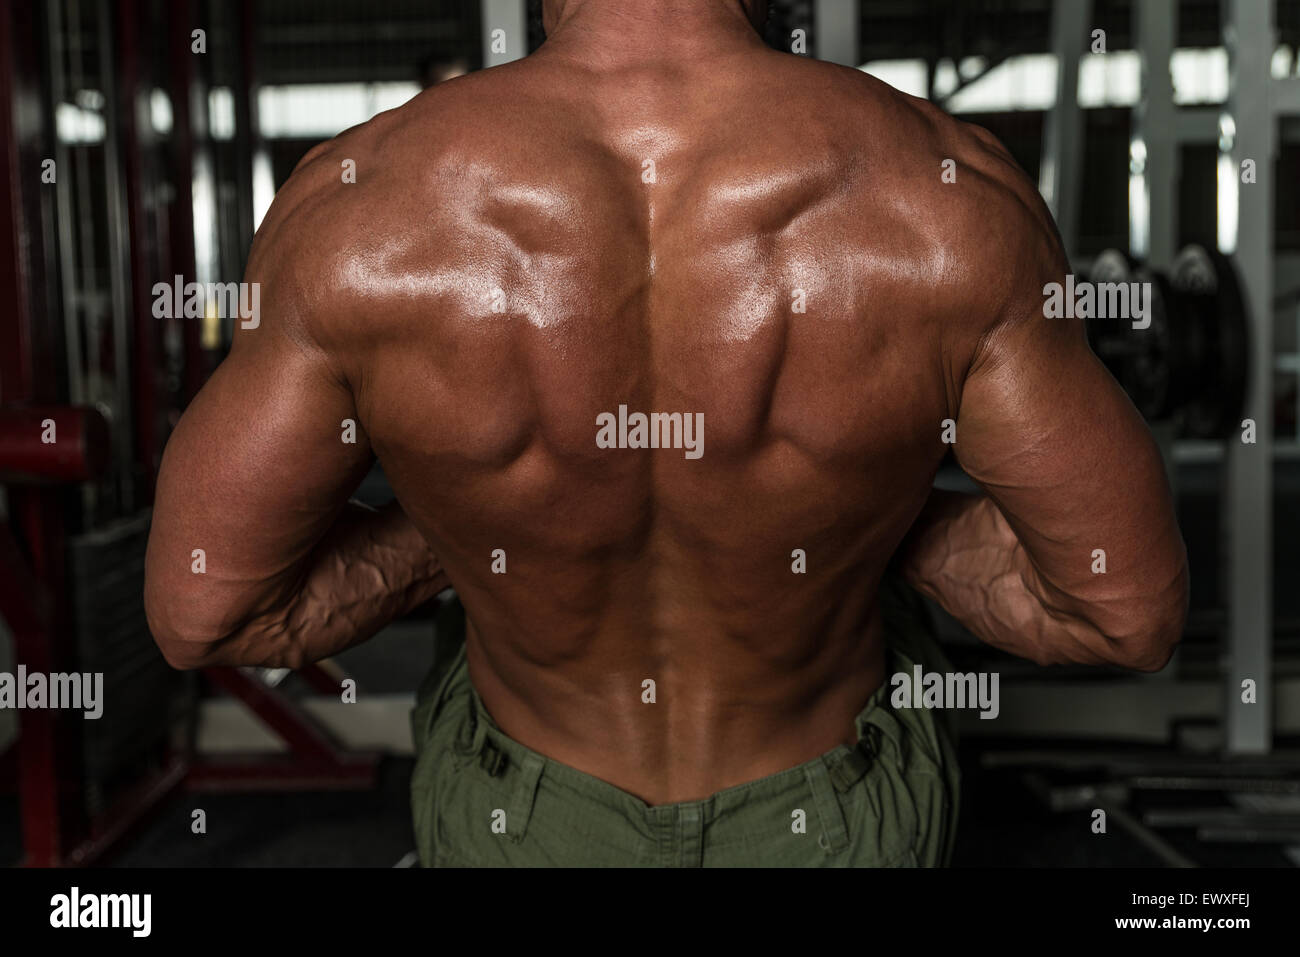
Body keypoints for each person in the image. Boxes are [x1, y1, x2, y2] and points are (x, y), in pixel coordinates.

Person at [144, 0, 1189, 867]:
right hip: (824, 822)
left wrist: (472, 529)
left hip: (532, 823)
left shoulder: (355, 212)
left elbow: (207, 614)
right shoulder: (948, 198)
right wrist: (852, 517)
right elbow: (1119, 612)